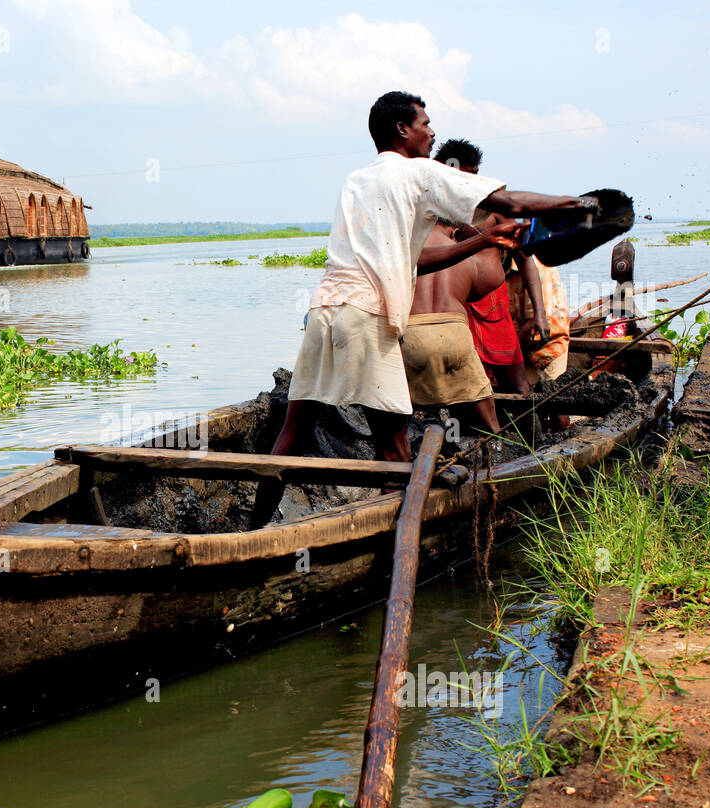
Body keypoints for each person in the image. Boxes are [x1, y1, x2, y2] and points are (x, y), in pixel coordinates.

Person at [248, 91, 594, 530]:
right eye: (426, 124)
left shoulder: (356, 180)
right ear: (402, 130)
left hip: (325, 311)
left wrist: (483, 241)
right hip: (367, 317)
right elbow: (511, 203)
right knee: (395, 447)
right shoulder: (418, 172)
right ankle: (389, 537)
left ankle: (254, 527)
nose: (432, 132)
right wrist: (578, 205)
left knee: (293, 431)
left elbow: (413, 261)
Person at [433, 138, 546, 397]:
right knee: (466, 382)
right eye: (466, 174)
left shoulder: (494, 208)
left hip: (494, 307)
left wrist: (540, 312)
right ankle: (474, 432)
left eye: (475, 173)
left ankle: (528, 432)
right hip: (454, 309)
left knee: (516, 382)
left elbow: (525, 258)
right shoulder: (431, 210)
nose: (473, 181)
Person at [400, 218, 506, 435]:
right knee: (481, 400)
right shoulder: (461, 252)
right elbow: (493, 280)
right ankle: (495, 443)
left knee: (403, 407)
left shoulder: (405, 248)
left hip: (411, 333)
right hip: (453, 332)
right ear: (454, 230)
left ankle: (403, 453)